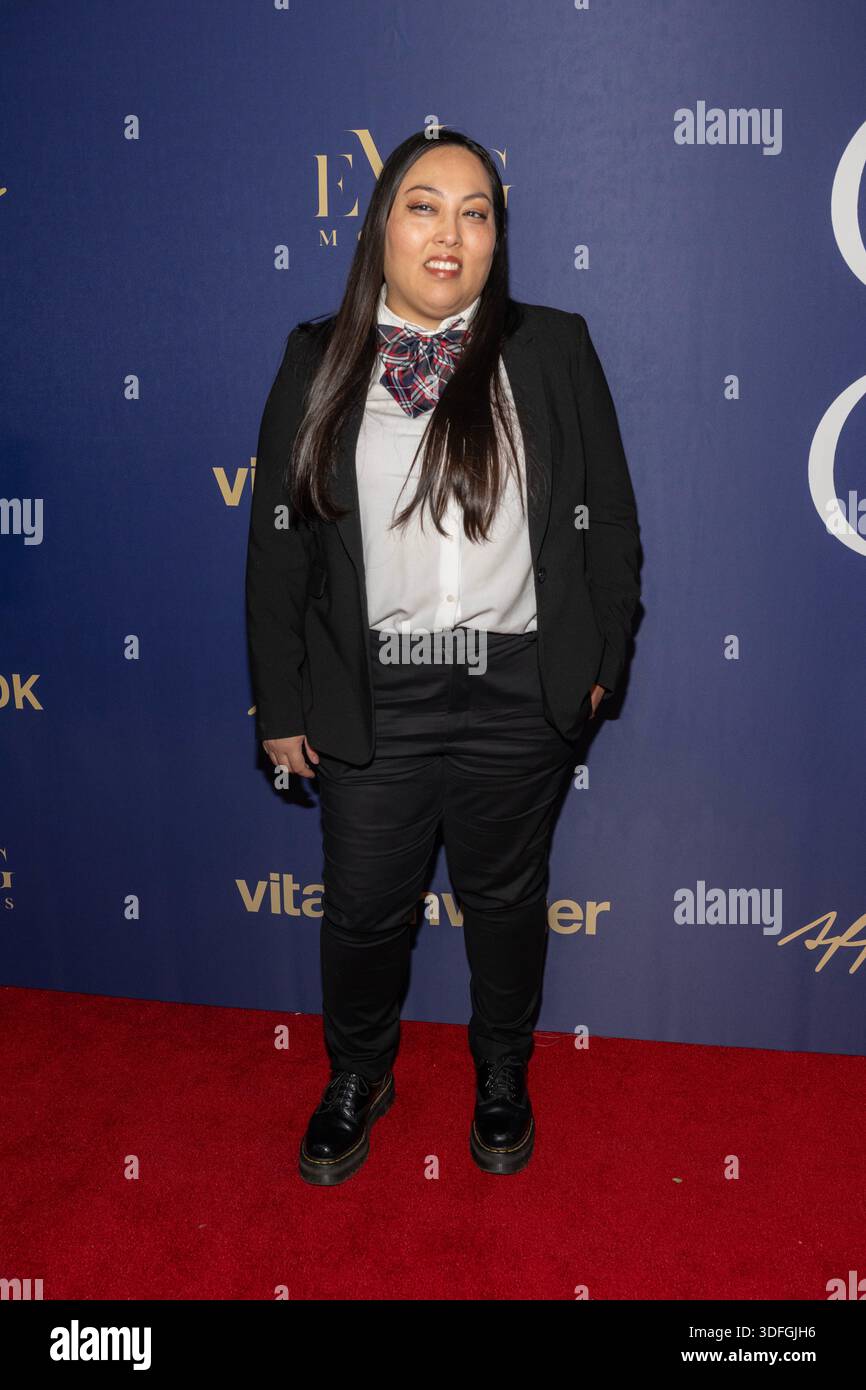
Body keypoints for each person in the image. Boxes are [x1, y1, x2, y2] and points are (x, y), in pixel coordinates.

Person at [245, 127, 641, 1185]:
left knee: (508, 904)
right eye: (424, 205)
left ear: (494, 236)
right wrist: (278, 704)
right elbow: (277, 553)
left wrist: (599, 655)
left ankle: (501, 1072)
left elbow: (609, 523)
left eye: (475, 211)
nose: (450, 232)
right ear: (380, 224)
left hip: (520, 688)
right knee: (365, 912)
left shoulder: (553, 346)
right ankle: (357, 1073)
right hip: (372, 695)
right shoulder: (313, 354)